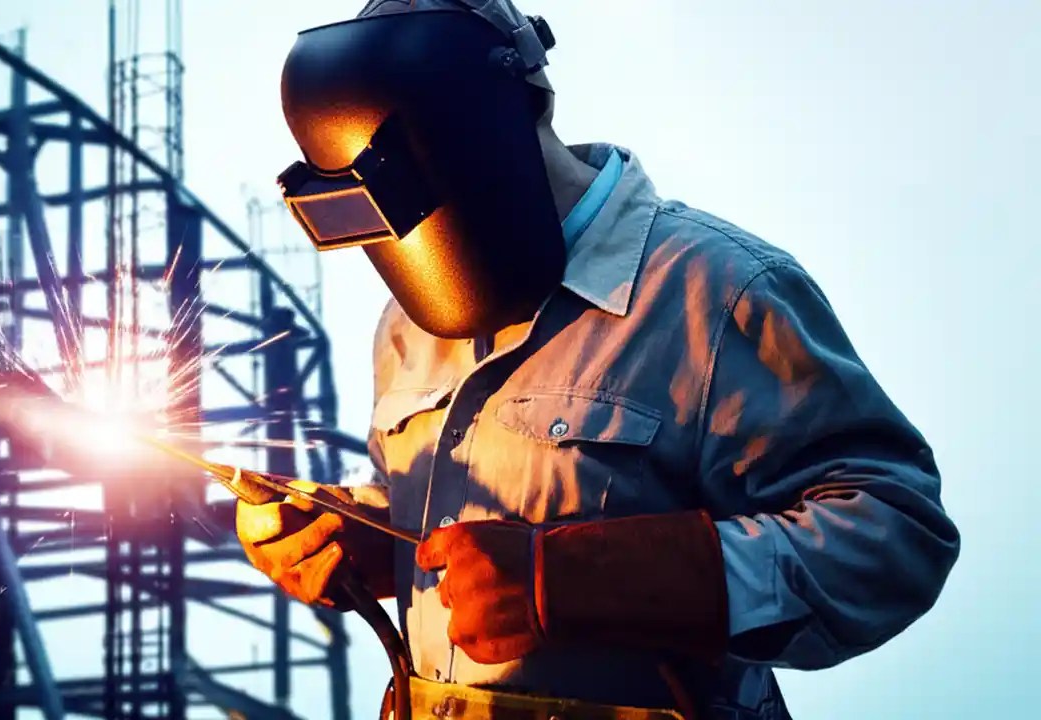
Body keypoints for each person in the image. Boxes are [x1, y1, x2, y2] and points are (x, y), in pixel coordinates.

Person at [237, 1, 961, 718]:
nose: (409, 234)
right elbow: (449, 516)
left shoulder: (713, 288)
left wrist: (579, 581)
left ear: (493, 122)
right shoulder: (409, 322)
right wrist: (357, 538)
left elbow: (895, 534)